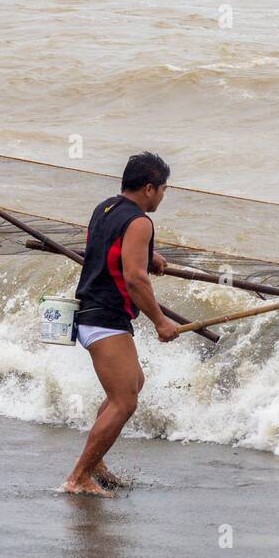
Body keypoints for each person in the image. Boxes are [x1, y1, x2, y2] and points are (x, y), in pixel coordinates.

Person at [62, 151, 180, 497]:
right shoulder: (141, 222)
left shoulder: (106, 208)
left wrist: (149, 254)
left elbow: (108, 248)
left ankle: (95, 463)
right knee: (125, 401)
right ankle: (79, 476)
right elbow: (134, 279)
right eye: (162, 189)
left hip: (90, 311)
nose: (162, 195)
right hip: (105, 316)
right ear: (148, 188)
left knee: (132, 385)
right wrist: (161, 321)